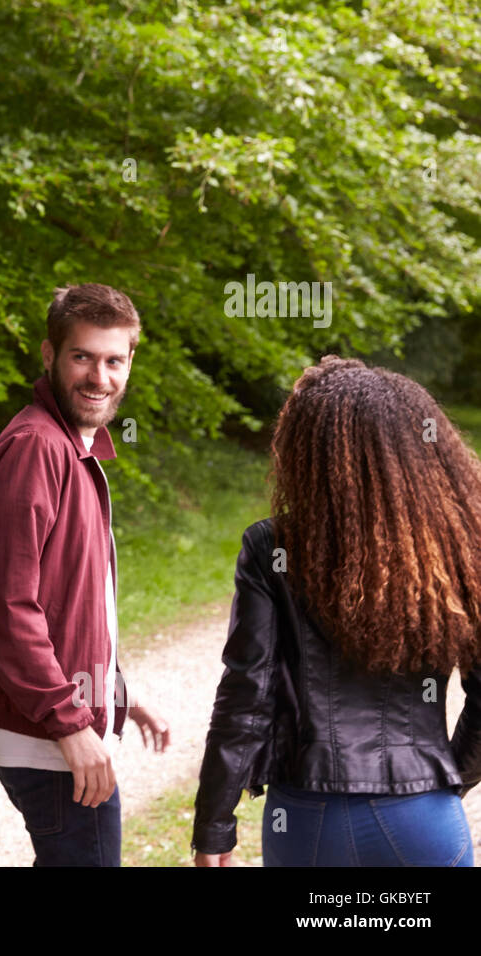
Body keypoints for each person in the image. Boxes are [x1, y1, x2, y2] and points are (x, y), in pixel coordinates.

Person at [192, 356, 481, 867]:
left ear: (303, 450)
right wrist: (441, 777)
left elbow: (247, 695)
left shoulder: (271, 547)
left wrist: (215, 824)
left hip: (308, 816)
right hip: (424, 817)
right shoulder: (458, 544)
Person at [0, 283, 170, 867]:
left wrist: (118, 690)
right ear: (50, 355)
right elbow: (8, 606)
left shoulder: (76, 448)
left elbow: (75, 600)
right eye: (82, 357)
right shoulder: (35, 449)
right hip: (43, 732)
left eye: (113, 360)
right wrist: (70, 724)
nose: (99, 376)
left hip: (56, 718)